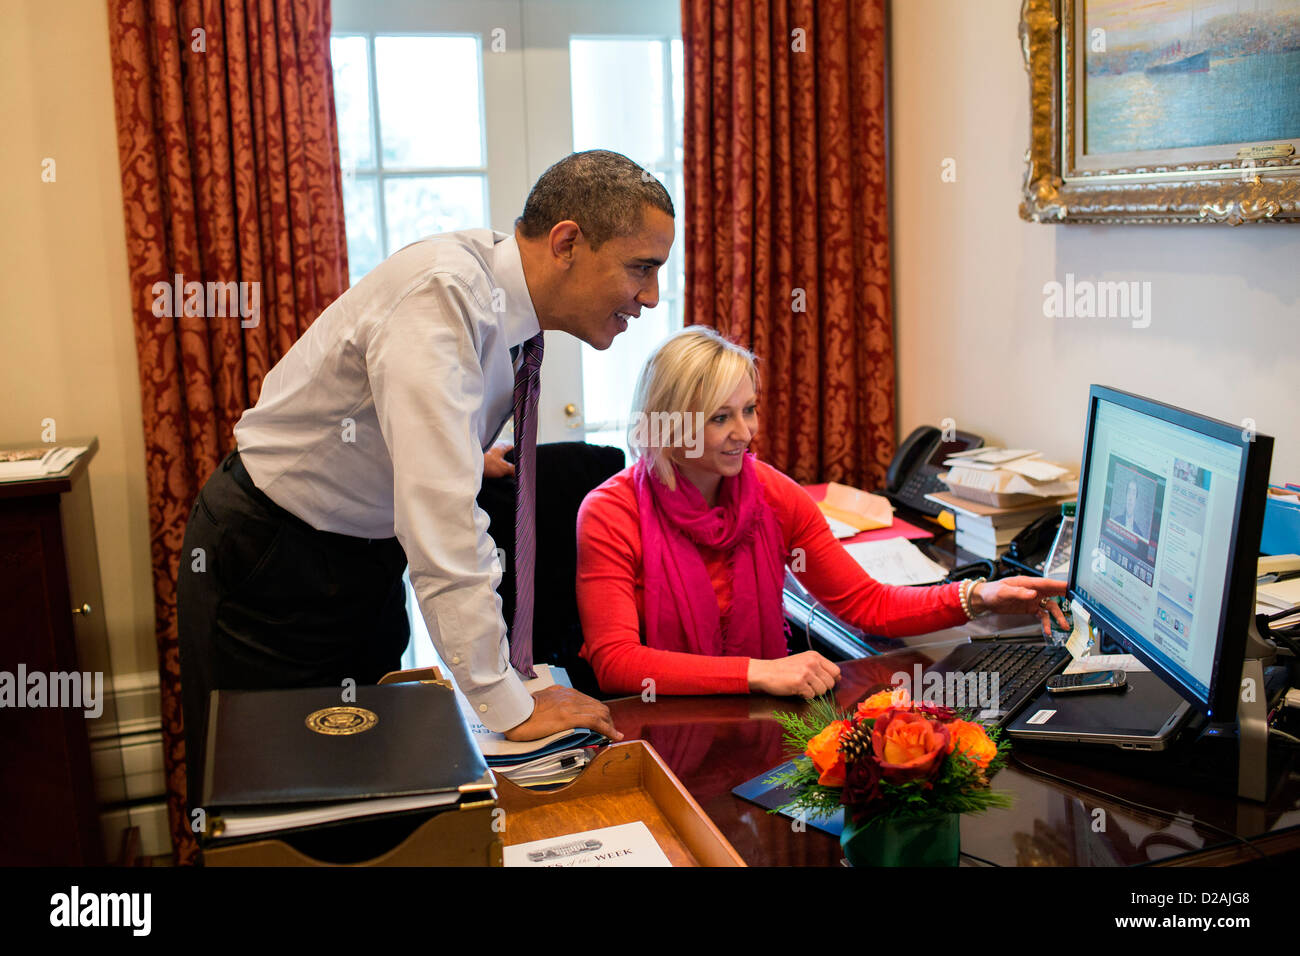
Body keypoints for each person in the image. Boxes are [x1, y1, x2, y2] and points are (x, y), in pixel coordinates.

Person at [179, 150, 674, 805]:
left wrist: (466, 453)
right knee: (274, 807)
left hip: (361, 559)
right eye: (642, 268)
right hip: (273, 560)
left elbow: (428, 439)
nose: (651, 297)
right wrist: (509, 704)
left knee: (367, 793)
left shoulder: (510, 310)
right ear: (567, 242)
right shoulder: (444, 294)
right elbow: (439, 516)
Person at [574, 326, 1069, 699]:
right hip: (661, 724)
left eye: (749, 409)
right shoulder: (610, 512)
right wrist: (759, 671)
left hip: (754, 716)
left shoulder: (771, 492)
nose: (746, 434)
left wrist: (982, 594)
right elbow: (617, 663)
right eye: (720, 418)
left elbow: (866, 604)